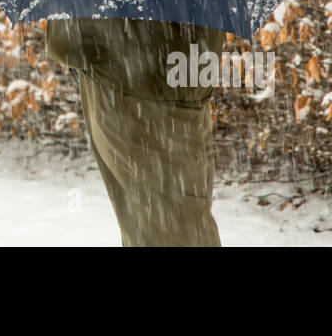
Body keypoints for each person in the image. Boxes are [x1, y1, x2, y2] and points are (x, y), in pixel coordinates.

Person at [46, 17, 224, 246]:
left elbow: (67, 43)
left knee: (164, 229)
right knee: (175, 222)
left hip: (132, 89)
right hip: (185, 81)